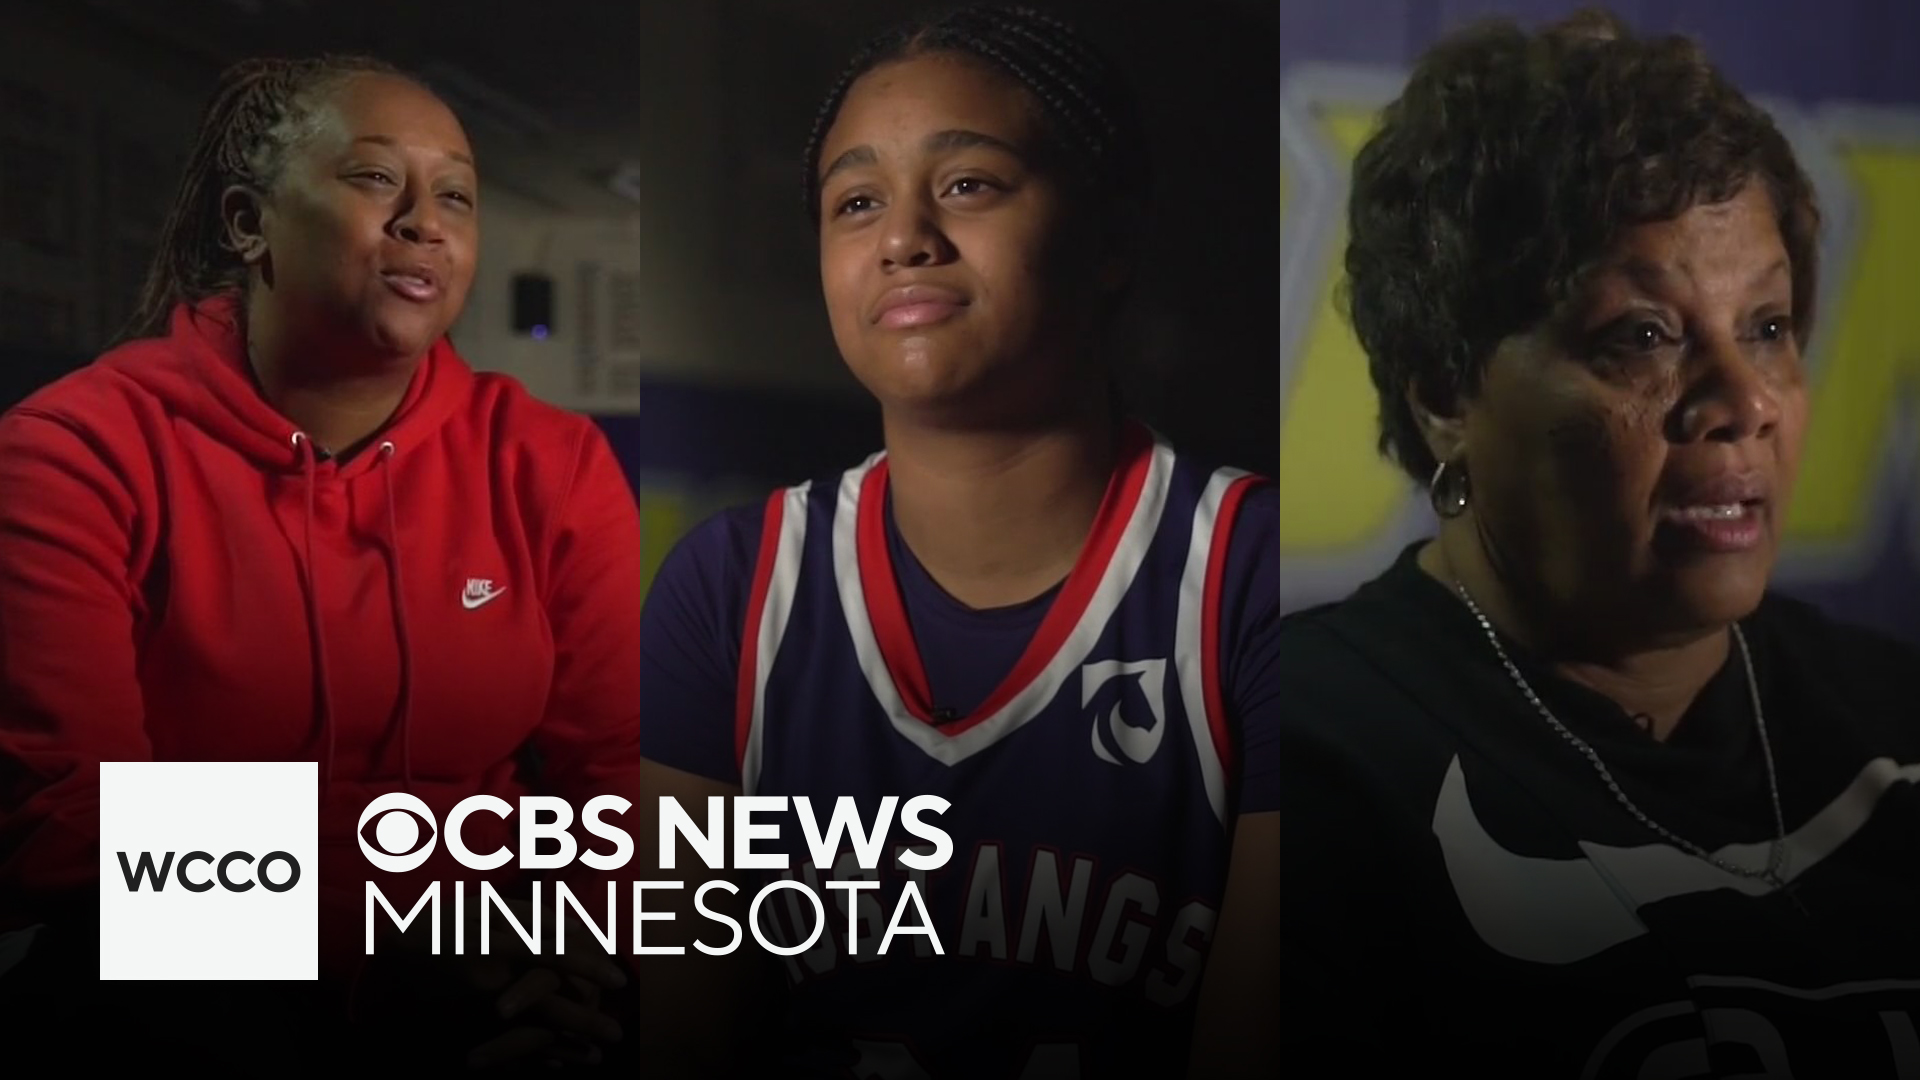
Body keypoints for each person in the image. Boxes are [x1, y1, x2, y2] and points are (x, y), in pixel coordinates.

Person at [636, 5, 1279, 1078]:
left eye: (969, 184)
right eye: (856, 202)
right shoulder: (728, 593)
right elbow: (691, 1036)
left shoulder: (1246, 578)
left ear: (1108, 240)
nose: (904, 237)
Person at [1278, 8, 1920, 1076]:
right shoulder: (1307, 768)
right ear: (1446, 390)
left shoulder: (1896, 713)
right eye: (1645, 338)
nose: (1744, 401)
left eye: (1766, 326)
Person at [0, 56, 639, 1070]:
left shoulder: (549, 462)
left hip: (493, 976)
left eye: (457, 195)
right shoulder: (74, 450)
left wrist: (582, 969)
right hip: (178, 988)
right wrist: (380, 951)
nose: (424, 220)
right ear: (248, 222)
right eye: (375, 178)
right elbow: (71, 822)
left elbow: (612, 785)